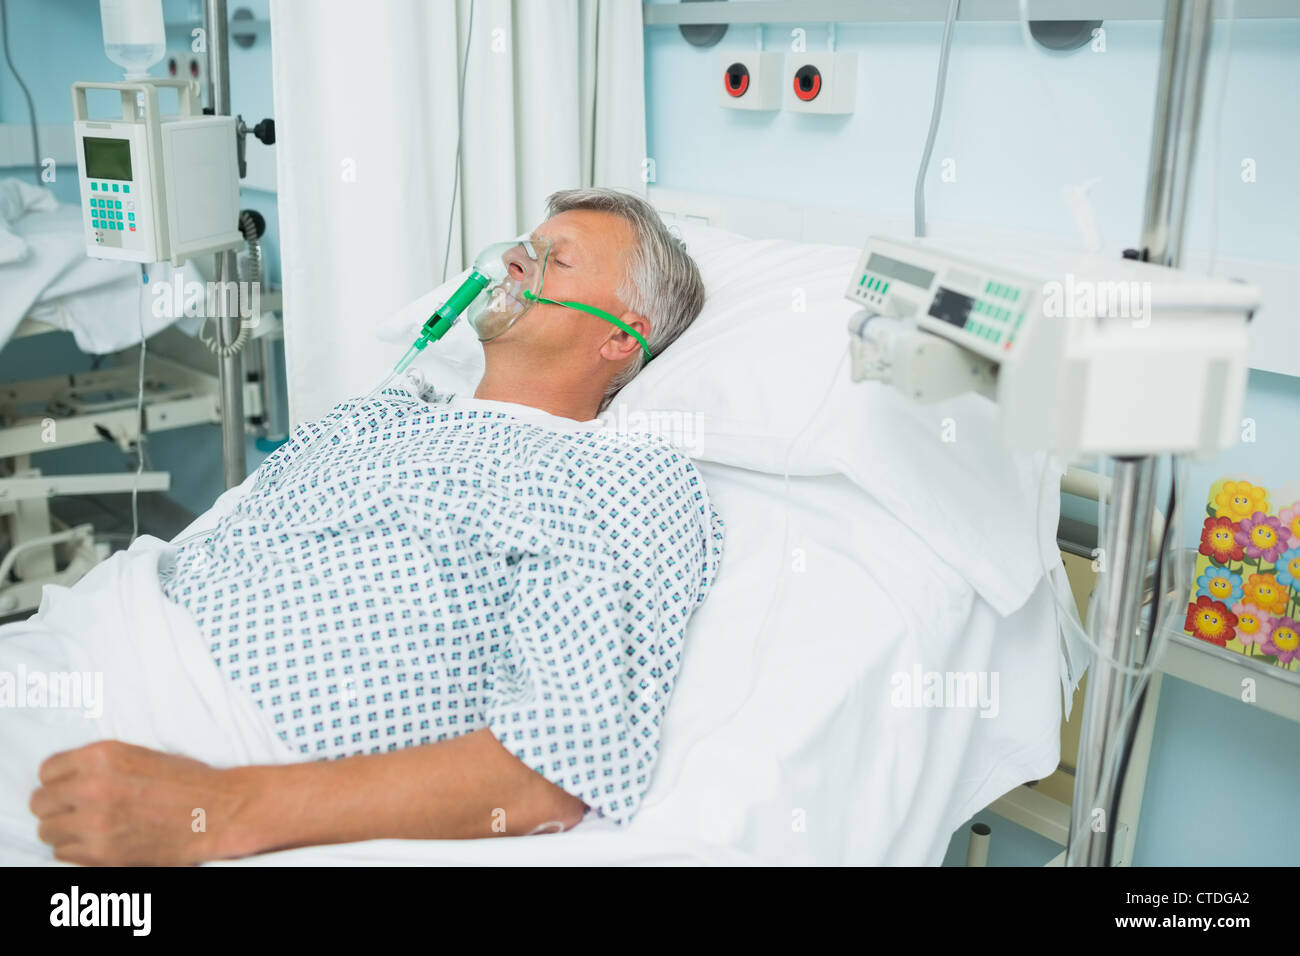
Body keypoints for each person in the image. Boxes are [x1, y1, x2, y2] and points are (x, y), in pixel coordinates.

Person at [15, 187, 722, 865]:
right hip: (90, 639)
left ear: (619, 341)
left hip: (185, 739)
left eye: (556, 261)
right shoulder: (391, 410)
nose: (513, 261)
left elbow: (557, 766)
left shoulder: (618, 477)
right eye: (526, 247)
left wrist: (216, 807)